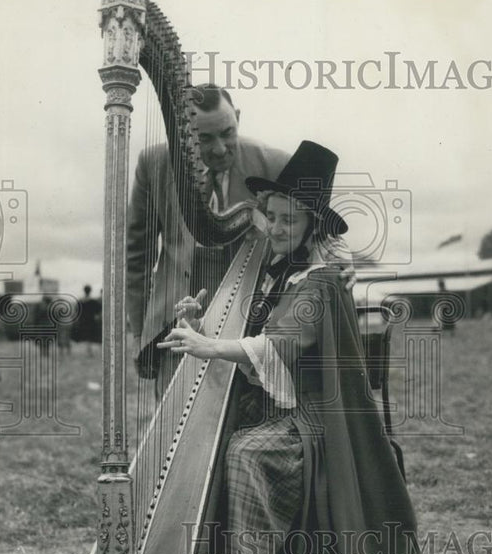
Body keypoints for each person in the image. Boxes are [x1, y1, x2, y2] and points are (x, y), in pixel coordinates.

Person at [160, 141, 466, 554]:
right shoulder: (274, 268)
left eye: (289, 221)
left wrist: (209, 345)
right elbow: (252, 326)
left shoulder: (319, 282)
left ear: (313, 228)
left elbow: (281, 344)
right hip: (277, 406)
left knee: (242, 453)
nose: (276, 228)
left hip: (317, 423)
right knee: (197, 448)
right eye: (272, 217)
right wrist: (199, 317)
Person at [127, 84, 352, 396]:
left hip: (248, 319)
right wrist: (141, 334)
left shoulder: (274, 162)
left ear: (238, 118)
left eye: (227, 132)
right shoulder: (154, 164)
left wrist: (340, 258)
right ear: (183, 133)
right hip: (175, 319)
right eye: (204, 137)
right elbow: (136, 256)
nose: (219, 148)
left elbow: (316, 223)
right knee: (172, 424)